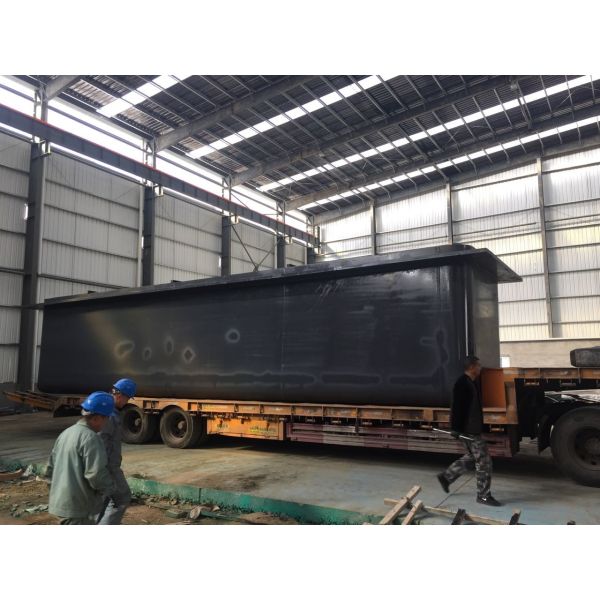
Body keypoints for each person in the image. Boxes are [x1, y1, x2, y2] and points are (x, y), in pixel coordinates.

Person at [437, 356, 502, 507]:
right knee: (484, 461)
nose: (480, 368)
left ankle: (447, 477)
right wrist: (455, 429)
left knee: (473, 457)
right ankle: (483, 495)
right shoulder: (462, 383)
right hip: (469, 430)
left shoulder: (471, 382)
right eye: (478, 365)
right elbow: (456, 407)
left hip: (472, 429)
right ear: (472, 367)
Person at [46, 392, 116, 525]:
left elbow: (50, 469)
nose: (106, 423)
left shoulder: (66, 433)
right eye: (106, 419)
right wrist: (110, 488)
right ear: (97, 418)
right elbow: (96, 474)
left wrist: (58, 494)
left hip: (61, 503)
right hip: (78, 507)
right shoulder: (91, 438)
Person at [95, 378, 136, 525]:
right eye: (127, 398)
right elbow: (101, 443)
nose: (126, 402)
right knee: (121, 498)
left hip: (105, 467)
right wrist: (103, 469)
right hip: (108, 467)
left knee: (103, 500)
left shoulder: (108, 411)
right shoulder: (110, 416)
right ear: (120, 395)